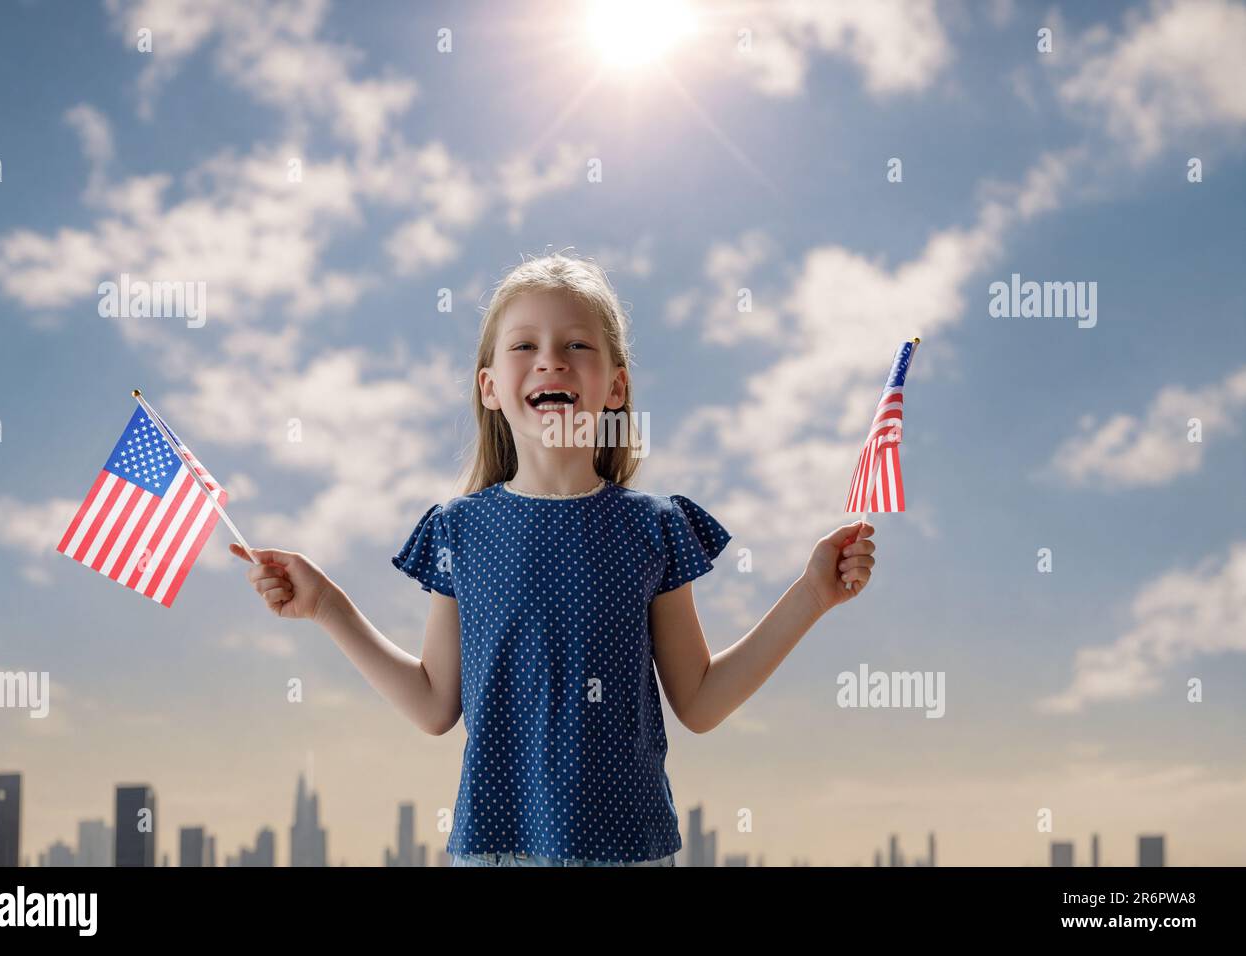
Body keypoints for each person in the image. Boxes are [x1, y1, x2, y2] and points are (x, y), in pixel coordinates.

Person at [233, 252, 877, 867]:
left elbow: (701, 701)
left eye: (577, 345)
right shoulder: (460, 530)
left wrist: (812, 596)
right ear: (489, 386)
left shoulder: (652, 527)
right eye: (524, 346)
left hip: (631, 848)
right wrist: (326, 607)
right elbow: (434, 704)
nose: (551, 362)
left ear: (616, 384)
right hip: (493, 849)